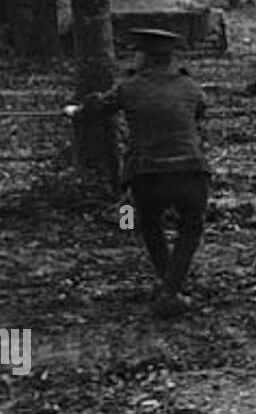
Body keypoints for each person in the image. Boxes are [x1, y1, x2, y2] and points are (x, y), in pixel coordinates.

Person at [66, 28, 210, 316]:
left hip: (148, 172)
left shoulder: (129, 87)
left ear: (144, 57)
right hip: (191, 170)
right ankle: (172, 289)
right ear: (169, 58)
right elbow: (200, 111)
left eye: (137, 53)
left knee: (150, 227)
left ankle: (170, 290)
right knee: (190, 229)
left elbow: (98, 108)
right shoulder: (191, 87)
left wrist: (74, 111)